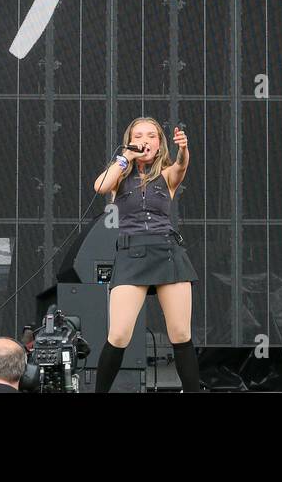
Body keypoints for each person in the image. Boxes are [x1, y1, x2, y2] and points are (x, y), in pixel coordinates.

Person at [91, 117, 200, 392]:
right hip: (131, 253)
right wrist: (126, 156)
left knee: (181, 334)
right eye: (139, 135)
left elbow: (182, 165)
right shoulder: (120, 176)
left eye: (152, 136)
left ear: (160, 143)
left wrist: (183, 149)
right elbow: (100, 186)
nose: (145, 140)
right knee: (118, 335)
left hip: (166, 251)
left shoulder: (166, 175)